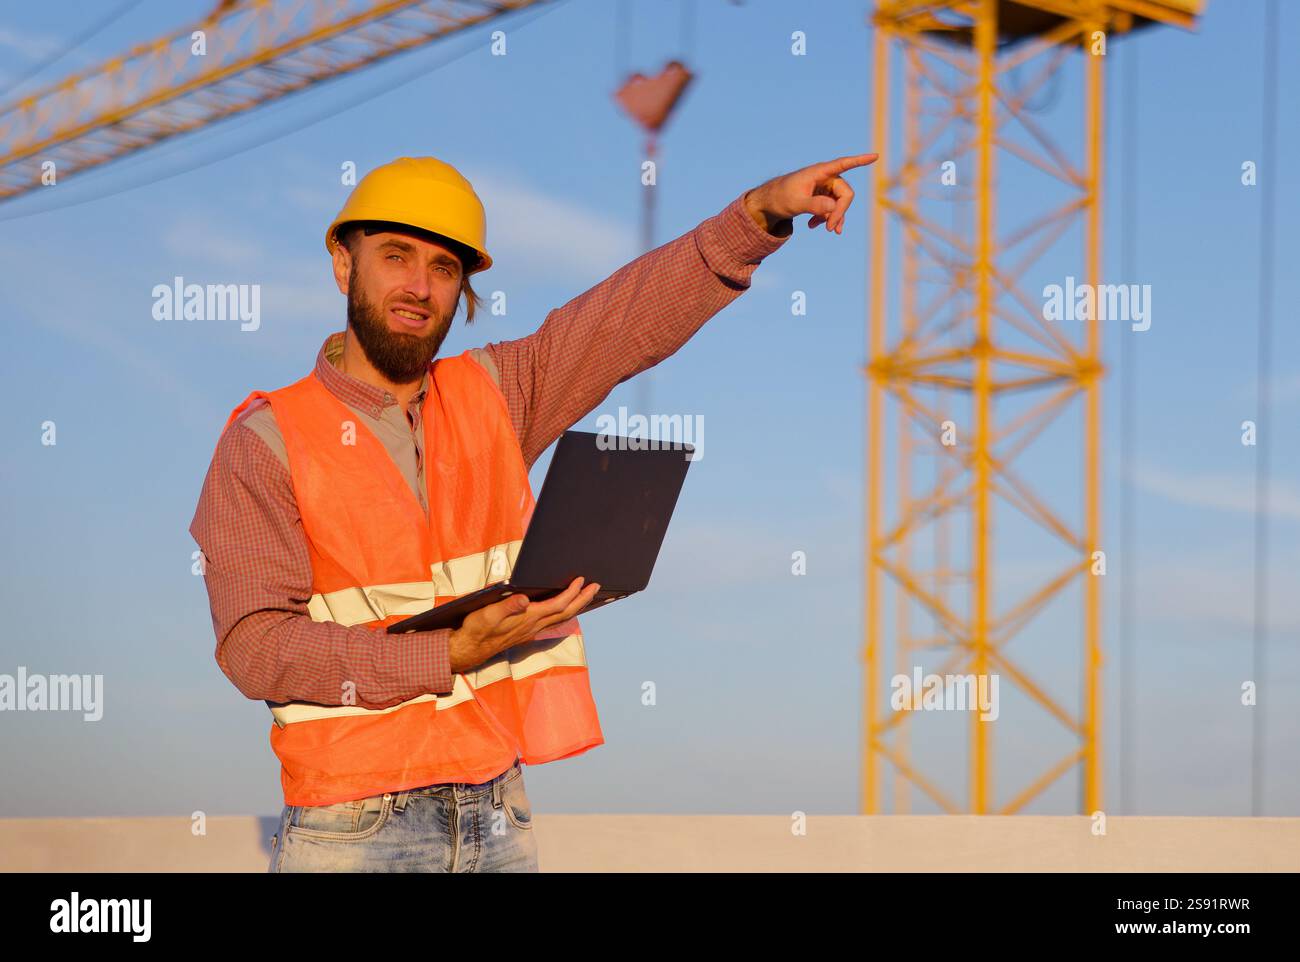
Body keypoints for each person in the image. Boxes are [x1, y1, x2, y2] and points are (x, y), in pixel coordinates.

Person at [189, 152, 875, 873]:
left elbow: (620, 323)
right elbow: (255, 646)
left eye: (445, 269)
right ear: (342, 263)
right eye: (396, 257)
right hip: (351, 826)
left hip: (498, 812)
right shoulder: (265, 441)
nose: (420, 287)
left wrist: (758, 214)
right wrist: (445, 654)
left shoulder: (495, 393)